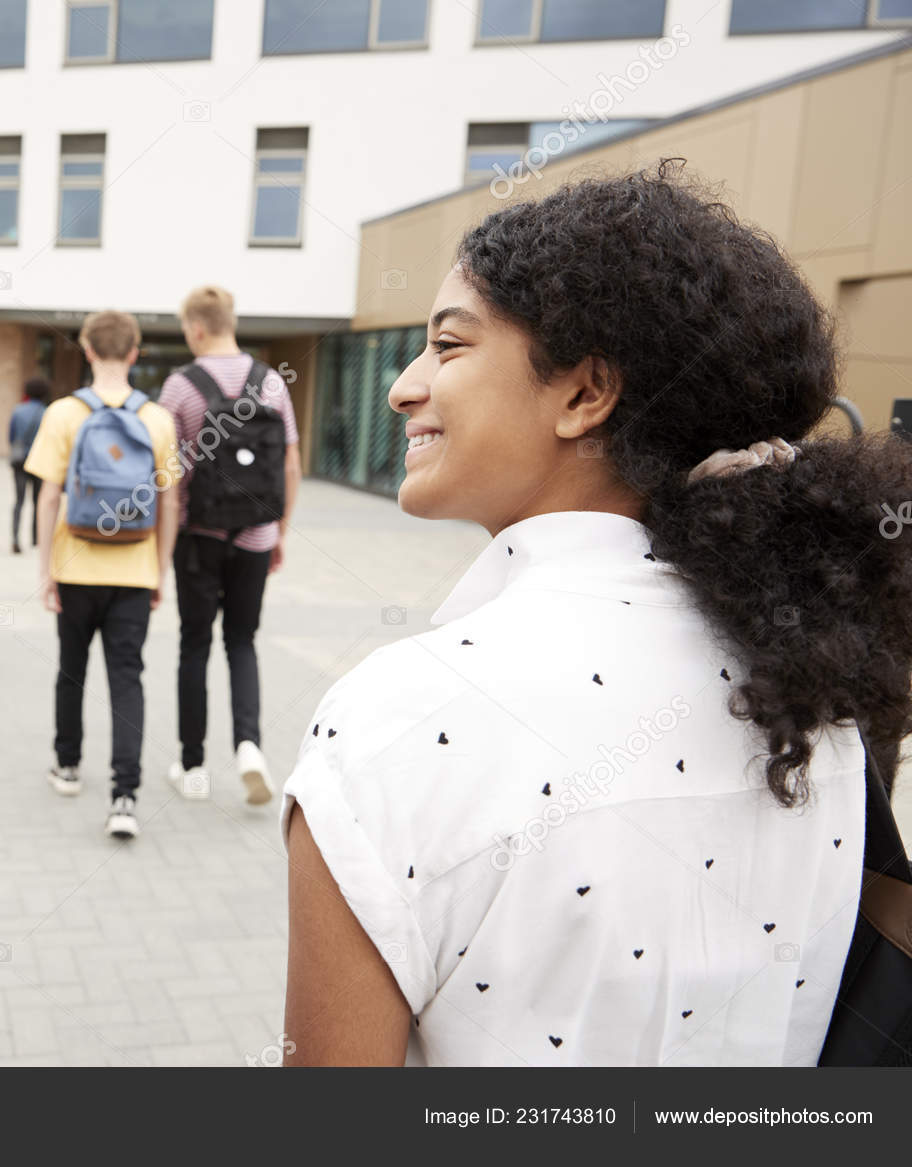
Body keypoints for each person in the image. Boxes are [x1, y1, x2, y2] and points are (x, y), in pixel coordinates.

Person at [282, 162, 912, 1066]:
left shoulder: (393, 722)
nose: (402, 386)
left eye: (450, 346)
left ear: (584, 392)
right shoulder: (815, 700)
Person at [25, 311, 179, 840]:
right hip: (135, 571)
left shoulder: (63, 413)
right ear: (134, 353)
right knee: (127, 678)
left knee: (71, 669)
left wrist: (46, 570)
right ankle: (124, 797)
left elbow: (48, 497)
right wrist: (159, 571)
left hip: (74, 567)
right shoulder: (158, 419)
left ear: (88, 350)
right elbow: (171, 502)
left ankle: (67, 767)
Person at [160, 286, 301, 806]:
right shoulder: (270, 384)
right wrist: (278, 532)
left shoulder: (179, 388)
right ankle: (249, 748)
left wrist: (164, 548)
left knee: (194, 644)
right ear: (230, 321)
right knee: (242, 642)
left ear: (196, 328)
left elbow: (168, 477)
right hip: (256, 537)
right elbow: (289, 466)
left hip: (198, 537)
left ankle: (193, 767)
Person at [8, 377, 50, 555]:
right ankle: (36, 539)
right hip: (39, 462)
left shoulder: (18, 411)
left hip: (19, 461)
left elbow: (11, 437)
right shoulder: (47, 412)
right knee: (38, 502)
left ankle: (15, 538)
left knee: (19, 501)